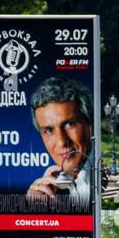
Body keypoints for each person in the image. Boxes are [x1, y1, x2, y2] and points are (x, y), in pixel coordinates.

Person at [24, 77, 94, 207]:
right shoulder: (51, 189)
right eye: (49, 130)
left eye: (69, 124)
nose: (62, 141)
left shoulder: (107, 177)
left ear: (91, 126)